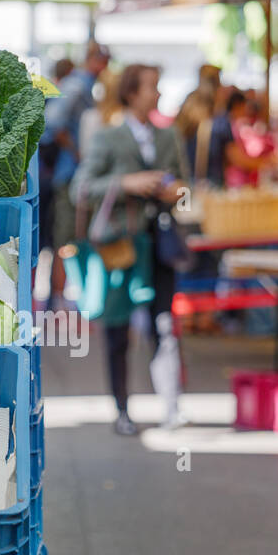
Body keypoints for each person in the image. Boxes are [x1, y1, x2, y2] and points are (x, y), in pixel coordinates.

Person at [70, 63, 187, 435]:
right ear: (132, 93)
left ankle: (171, 407)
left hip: (160, 241)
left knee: (164, 324)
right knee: (117, 328)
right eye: (152, 87)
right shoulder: (108, 137)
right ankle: (122, 410)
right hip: (120, 245)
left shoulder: (169, 137)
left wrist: (176, 191)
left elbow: (185, 185)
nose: (158, 94)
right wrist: (127, 183)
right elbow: (80, 189)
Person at [39, 42, 111, 302]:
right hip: (68, 178)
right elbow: (51, 123)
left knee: (70, 239)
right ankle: (59, 303)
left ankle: (63, 302)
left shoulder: (82, 85)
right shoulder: (77, 85)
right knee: (66, 240)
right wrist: (76, 151)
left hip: (73, 177)